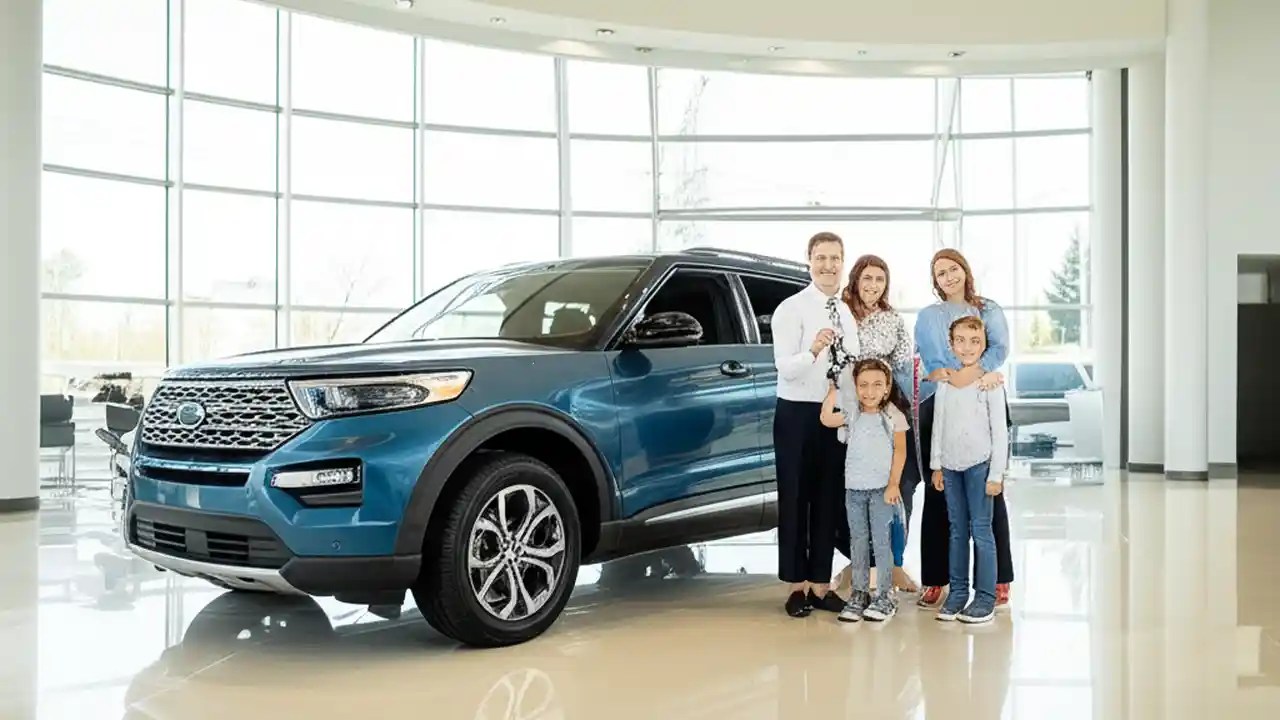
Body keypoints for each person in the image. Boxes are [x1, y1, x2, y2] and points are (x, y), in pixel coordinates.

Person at [913, 248, 1015, 610]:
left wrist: (972, 375)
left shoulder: (989, 310)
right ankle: (937, 580)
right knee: (939, 491)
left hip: (983, 394)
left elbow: (999, 348)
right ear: (935, 281)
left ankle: (998, 577)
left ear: (965, 270)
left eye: (953, 269)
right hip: (940, 402)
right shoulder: (929, 316)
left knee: (989, 493)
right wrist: (954, 379)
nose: (948, 277)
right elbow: (930, 357)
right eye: (940, 273)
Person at [771, 231, 860, 617]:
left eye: (835, 258)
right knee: (795, 498)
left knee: (827, 498)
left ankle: (821, 585)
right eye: (820, 258)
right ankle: (796, 585)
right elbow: (785, 368)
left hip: (833, 413)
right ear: (809, 260)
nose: (828, 265)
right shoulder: (791, 309)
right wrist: (814, 349)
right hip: (796, 413)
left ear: (843, 262)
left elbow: (854, 363)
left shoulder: (846, 312)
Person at [832, 255, 920, 594]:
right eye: (867, 278)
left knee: (899, 484)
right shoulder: (838, 313)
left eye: (880, 280)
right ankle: (857, 562)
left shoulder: (892, 319)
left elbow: (904, 369)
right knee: (852, 489)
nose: (872, 285)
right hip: (849, 409)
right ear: (855, 279)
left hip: (886, 407)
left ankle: (895, 564)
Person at [930, 315, 1008, 624]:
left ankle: (985, 597)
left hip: (980, 466)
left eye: (975, 341)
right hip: (950, 466)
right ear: (951, 345)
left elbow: (1000, 432)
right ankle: (958, 593)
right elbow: (939, 426)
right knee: (957, 531)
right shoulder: (947, 383)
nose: (967, 347)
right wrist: (936, 466)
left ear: (984, 345)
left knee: (981, 530)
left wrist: (996, 474)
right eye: (960, 341)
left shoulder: (990, 384)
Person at [820, 358, 908, 623]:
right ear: (856, 387)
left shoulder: (893, 415)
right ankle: (859, 593)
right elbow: (826, 419)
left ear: (887, 387)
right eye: (863, 385)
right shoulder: (852, 413)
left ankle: (885, 595)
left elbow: (900, 452)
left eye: (877, 385)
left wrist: (894, 484)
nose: (870, 391)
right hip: (854, 490)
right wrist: (834, 390)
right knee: (857, 541)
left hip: (881, 489)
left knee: (881, 543)